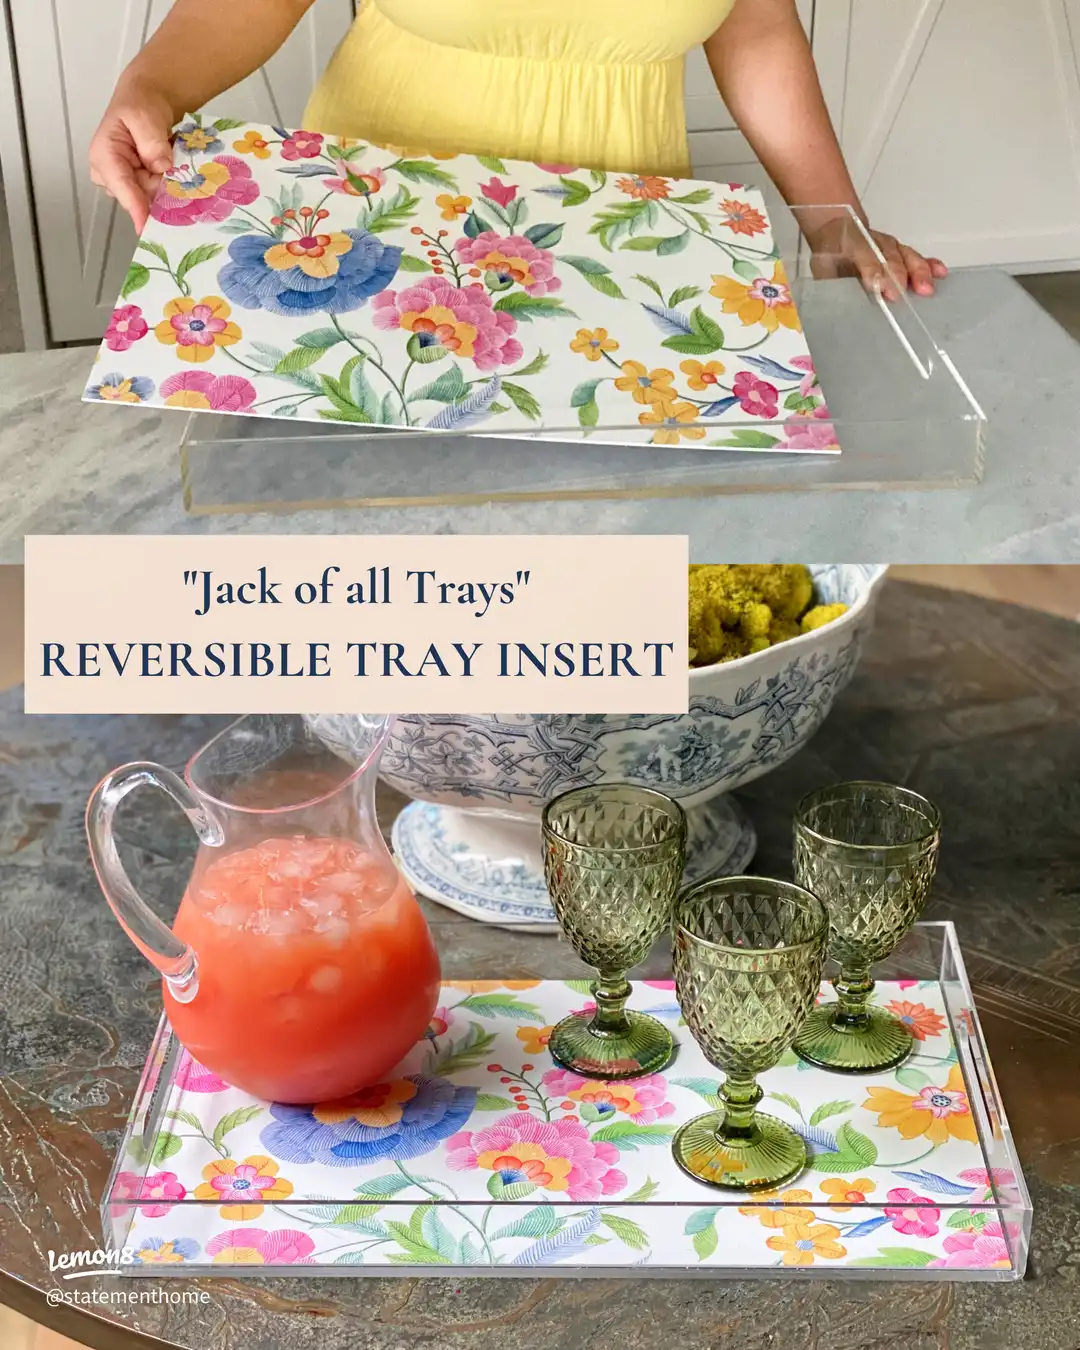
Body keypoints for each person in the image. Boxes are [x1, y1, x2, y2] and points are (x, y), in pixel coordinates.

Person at [89, 0, 947, 300]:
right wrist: (154, 85)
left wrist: (837, 225)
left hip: (619, 235)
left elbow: (753, 24)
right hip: (373, 217)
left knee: (591, 542)